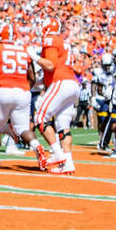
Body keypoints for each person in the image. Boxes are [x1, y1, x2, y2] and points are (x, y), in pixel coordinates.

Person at [0, 23, 38, 171]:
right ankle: (37, 147)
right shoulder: (23, 50)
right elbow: (33, 78)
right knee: (23, 127)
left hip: (2, 89)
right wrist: (24, 88)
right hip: (23, 91)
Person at [31, 20, 79, 174]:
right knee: (62, 124)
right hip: (72, 84)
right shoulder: (63, 42)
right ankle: (68, 163)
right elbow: (52, 69)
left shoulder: (50, 39)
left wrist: (33, 56)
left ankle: (57, 153)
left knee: (40, 117)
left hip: (61, 83)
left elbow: (50, 65)